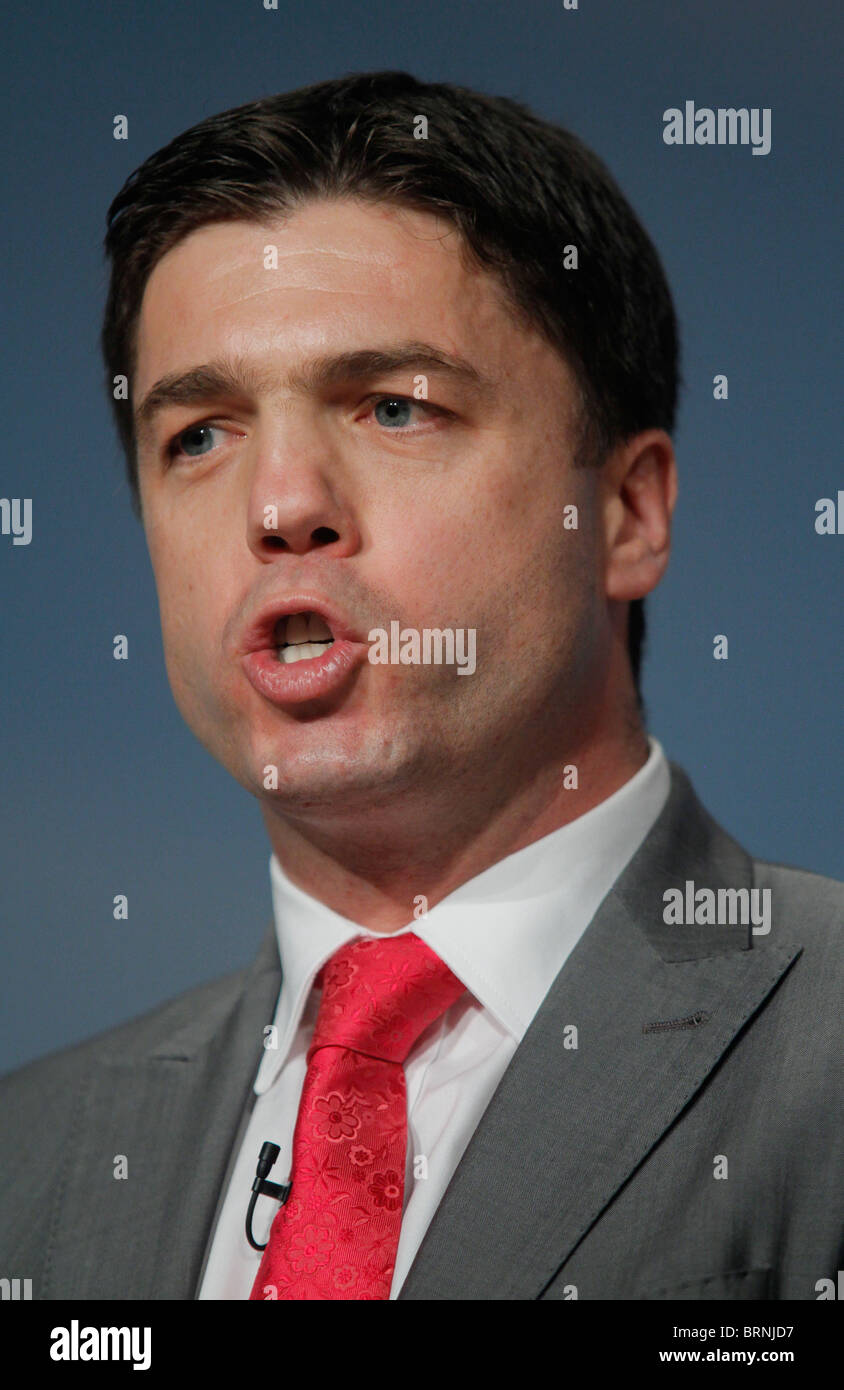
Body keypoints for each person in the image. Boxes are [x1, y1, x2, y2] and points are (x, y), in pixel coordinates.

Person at [1, 71, 840, 1302]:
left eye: (394, 407)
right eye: (200, 435)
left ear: (625, 511)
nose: (280, 505)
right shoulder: (31, 1159)